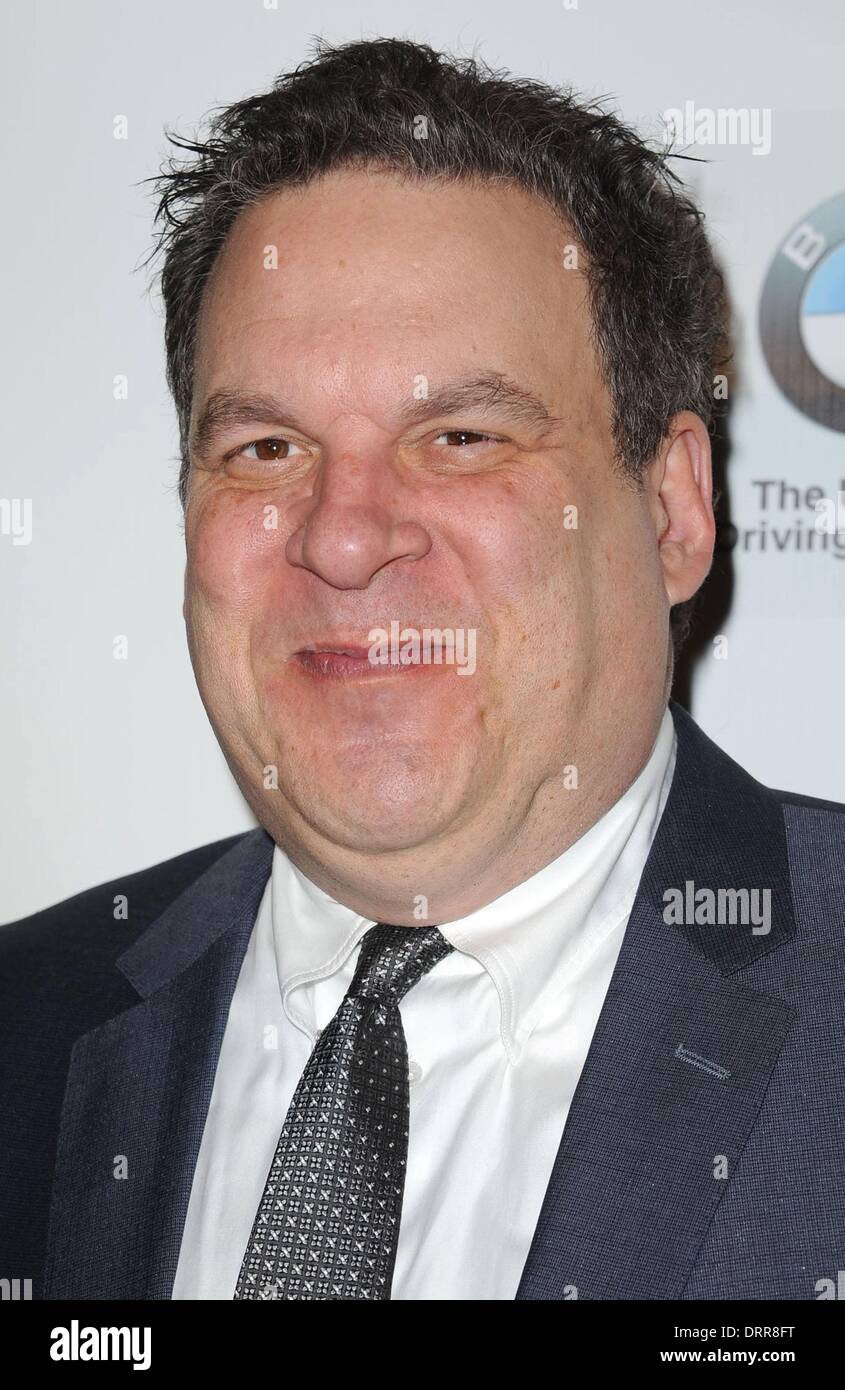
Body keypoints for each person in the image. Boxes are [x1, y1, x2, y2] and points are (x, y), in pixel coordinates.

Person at [2, 36, 843, 1302]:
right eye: (268, 446)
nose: (342, 536)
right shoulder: (28, 1026)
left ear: (670, 511)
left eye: (459, 434)